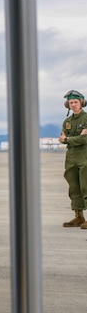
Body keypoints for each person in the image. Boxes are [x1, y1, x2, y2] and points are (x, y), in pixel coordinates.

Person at [59, 90, 87, 228]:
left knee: (85, 187)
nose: (74, 105)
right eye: (71, 103)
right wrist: (69, 139)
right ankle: (79, 217)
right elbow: (61, 138)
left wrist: (68, 139)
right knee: (74, 188)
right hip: (71, 159)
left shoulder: (86, 118)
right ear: (68, 105)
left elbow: (84, 139)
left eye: (76, 102)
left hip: (85, 158)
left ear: (81, 103)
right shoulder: (67, 121)